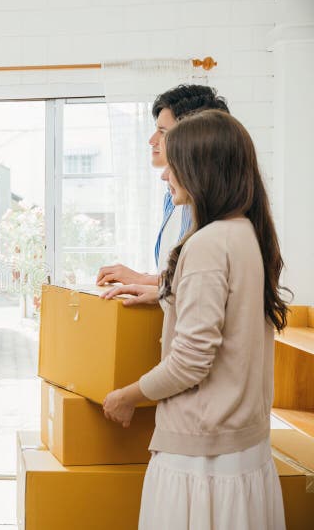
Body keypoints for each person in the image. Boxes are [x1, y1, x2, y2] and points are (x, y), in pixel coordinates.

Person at [100, 110, 289, 528]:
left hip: (202, 454)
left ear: (202, 170)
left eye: (174, 164)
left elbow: (190, 361)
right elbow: (228, 313)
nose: (165, 175)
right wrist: (165, 293)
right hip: (243, 445)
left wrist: (126, 396)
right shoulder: (245, 232)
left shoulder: (206, 244)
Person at [96, 85, 229, 287]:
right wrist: (145, 282)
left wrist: (141, 280)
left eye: (162, 132)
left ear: (193, 137)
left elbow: (198, 286)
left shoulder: (217, 214)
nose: (152, 141)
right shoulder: (172, 198)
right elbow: (178, 280)